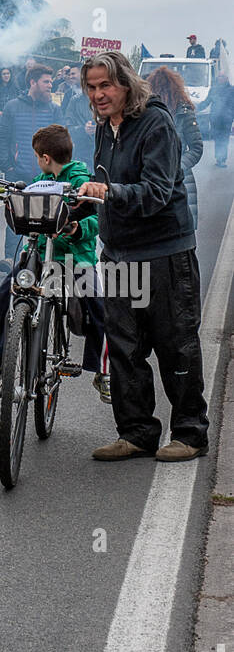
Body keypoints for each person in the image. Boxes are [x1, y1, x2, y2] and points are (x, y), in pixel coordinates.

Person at [78, 51, 208, 462]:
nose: (99, 94)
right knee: (124, 348)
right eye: (92, 87)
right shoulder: (104, 128)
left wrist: (110, 193)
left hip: (165, 252)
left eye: (106, 86)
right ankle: (136, 433)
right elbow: (101, 185)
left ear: (126, 85)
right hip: (118, 255)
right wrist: (73, 208)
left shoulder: (156, 123)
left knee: (176, 346)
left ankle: (190, 434)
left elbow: (156, 192)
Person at [0, 125, 109, 401]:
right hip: (38, 255)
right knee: (6, 292)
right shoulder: (42, 178)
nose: (38, 161)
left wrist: (75, 228)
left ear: (46, 157)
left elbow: (96, 220)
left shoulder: (82, 179)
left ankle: (100, 371)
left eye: (37, 156)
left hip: (75, 258)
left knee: (98, 308)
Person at [0, 64, 62, 273]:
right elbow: (2, 137)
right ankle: (11, 258)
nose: (50, 86)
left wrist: (58, 171)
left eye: (51, 82)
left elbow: (62, 143)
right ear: (32, 82)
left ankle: (40, 261)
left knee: (45, 220)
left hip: (47, 177)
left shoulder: (54, 109)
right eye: (46, 82)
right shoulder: (13, 107)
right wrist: (7, 166)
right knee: (15, 216)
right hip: (19, 174)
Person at [145, 66, 203, 232]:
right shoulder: (148, 111)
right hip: (154, 176)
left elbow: (196, 148)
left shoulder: (184, 111)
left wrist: (178, 166)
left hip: (181, 177)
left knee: (184, 229)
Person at [197, 70, 234, 167]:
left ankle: (222, 159)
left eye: (222, 77)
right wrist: (196, 108)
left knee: (224, 139)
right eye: (219, 77)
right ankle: (218, 158)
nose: (220, 79)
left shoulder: (232, 90)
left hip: (227, 119)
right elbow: (207, 102)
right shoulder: (214, 89)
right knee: (217, 138)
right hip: (215, 119)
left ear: (226, 78)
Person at [63, 79, 96, 168]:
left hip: (103, 153)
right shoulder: (75, 101)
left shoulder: (106, 99)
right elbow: (68, 128)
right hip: (81, 154)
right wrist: (83, 130)